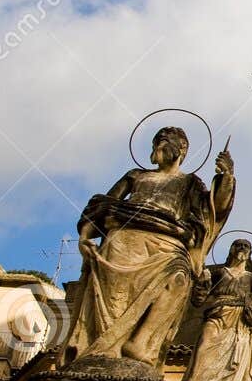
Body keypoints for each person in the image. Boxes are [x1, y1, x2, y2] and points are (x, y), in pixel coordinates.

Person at [67, 127, 234, 367]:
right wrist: (85, 237)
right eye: (157, 143)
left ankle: (141, 343)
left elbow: (213, 211)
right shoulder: (136, 176)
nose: (159, 148)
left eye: (166, 143)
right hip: (124, 240)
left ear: (182, 149)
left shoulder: (189, 183)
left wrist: (226, 177)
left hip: (168, 245)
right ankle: (102, 350)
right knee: (115, 299)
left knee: (178, 280)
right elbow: (102, 205)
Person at [181, 239, 252, 381]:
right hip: (217, 316)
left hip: (240, 323)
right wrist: (202, 283)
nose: (242, 249)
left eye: (246, 246)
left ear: (250, 253)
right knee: (204, 348)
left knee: (231, 361)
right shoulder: (218, 273)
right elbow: (198, 300)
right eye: (238, 245)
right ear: (231, 250)